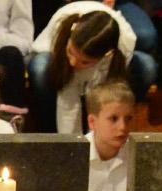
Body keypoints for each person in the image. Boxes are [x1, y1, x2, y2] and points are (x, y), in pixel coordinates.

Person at [28, 2, 150, 136]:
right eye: (70, 52)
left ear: (107, 55)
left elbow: (101, 98)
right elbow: (68, 98)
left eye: (84, 61)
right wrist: (71, 143)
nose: (73, 62)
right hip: (56, 61)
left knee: (147, 65)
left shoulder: (123, 45)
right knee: (40, 66)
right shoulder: (63, 23)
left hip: (107, 68)